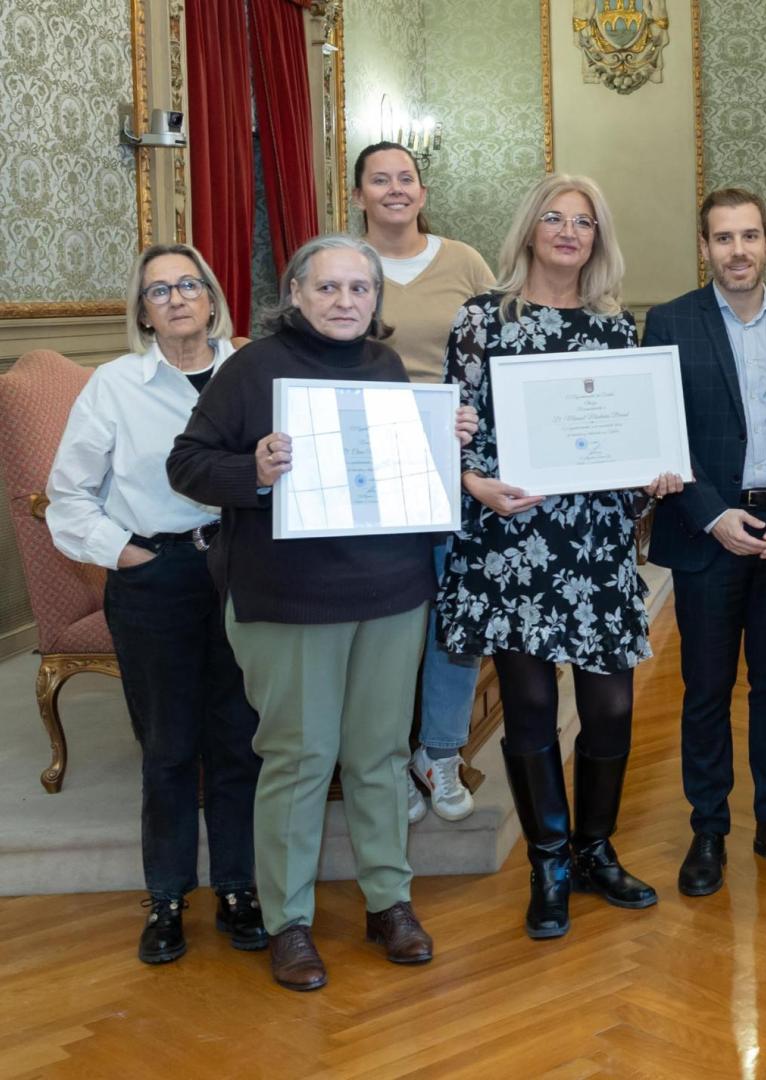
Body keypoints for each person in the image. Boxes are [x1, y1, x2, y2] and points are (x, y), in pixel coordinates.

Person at [168, 235, 473, 990]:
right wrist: (256, 469)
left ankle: (388, 902)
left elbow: (401, 478)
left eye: (359, 290)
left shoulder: (386, 367)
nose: (345, 302)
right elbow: (188, 463)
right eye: (329, 288)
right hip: (290, 600)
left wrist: (445, 442)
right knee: (300, 761)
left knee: (376, 756)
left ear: (376, 300)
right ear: (296, 294)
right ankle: (289, 921)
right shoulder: (252, 369)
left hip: (392, 594)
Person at [436, 175, 680, 939]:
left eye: (584, 222)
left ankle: (596, 849)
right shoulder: (481, 319)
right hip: (511, 538)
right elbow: (452, 428)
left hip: (595, 542)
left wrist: (656, 474)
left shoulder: (617, 332)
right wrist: (475, 486)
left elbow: (633, 438)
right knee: (533, 705)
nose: (569, 232)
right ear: (531, 230)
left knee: (610, 706)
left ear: (598, 240)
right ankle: (549, 863)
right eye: (555, 218)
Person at [47, 244, 263, 964]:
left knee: (239, 740)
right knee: (169, 746)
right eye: (158, 291)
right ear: (142, 310)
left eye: (188, 285)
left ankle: (238, 887)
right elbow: (68, 494)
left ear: (211, 297)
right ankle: (168, 897)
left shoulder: (253, 369)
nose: (175, 299)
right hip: (156, 573)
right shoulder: (114, 386)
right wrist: (124, 552)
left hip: (242, 568)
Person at [644, 188, 766, 897]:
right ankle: (709, 828)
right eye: (723, 238)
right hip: (708, 533)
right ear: (704, 247)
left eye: (750, 236)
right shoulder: (668, 322)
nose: (738, 251)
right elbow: (661, 436)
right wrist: (709, 513)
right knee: (706, 688)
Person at [352, 140, 496, 823]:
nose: (395, 189)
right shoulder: (344, 265)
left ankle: (438, 751)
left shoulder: (464, 261)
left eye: (405, 178)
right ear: (359, 197)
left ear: (423, 190)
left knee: (455, 609)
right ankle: (385, 757)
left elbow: (499, 348)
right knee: (385, 616)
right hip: (370, 463)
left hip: (454, 461)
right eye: (379, 180)